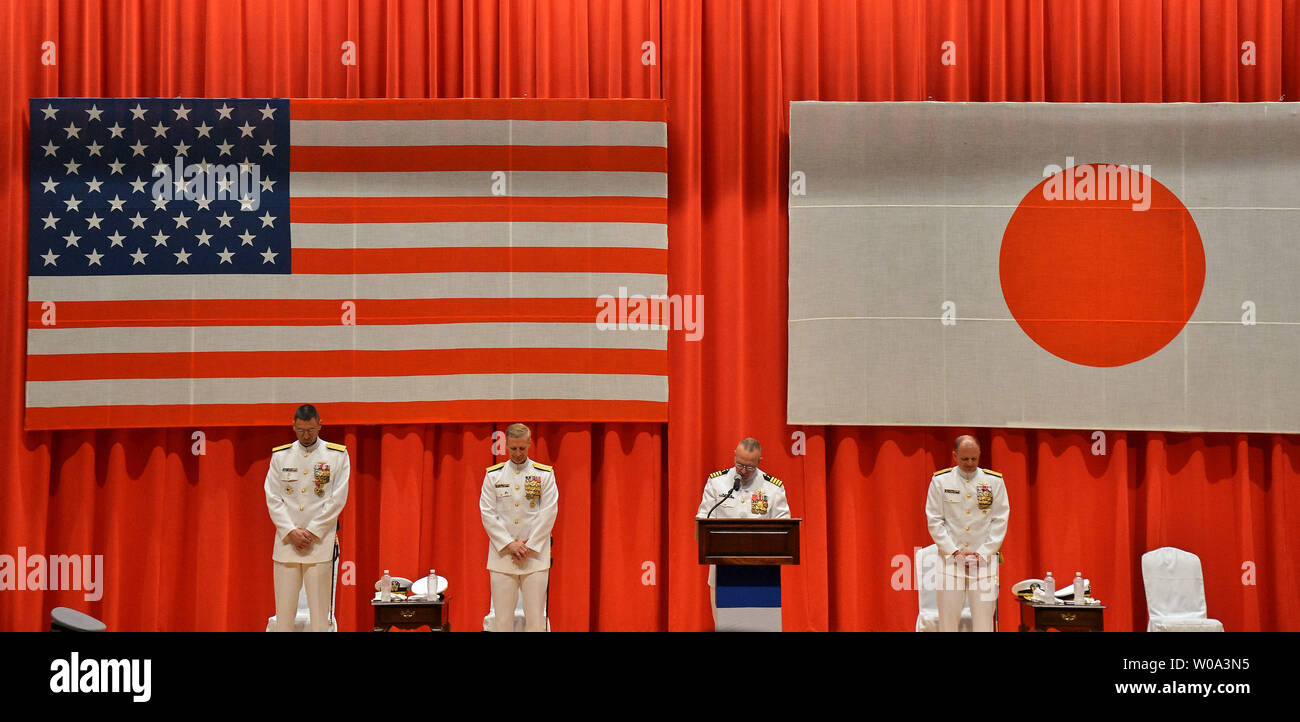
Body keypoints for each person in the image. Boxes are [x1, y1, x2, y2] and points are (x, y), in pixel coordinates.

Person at [264, 404, 350, 632]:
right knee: (283, 618)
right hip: (287, 545)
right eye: (301, 430)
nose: (306, 435)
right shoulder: (281, 455)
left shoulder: (336, 455)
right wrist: (291, 532)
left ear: (320, 425)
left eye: (311, 429)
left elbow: (337, 499)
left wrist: (311, 532)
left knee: (321, 618)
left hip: (318, 545)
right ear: (293, 426)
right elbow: (272, 497)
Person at [925, 435, 1009, 632]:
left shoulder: (993, 481)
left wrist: (984, 553)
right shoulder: (941, 481)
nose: (970, 464)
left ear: (980, 455)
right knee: (948, 622)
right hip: (950, 562)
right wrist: (954, 552)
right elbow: (935, 519)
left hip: (984, 564)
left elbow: (1000, 519)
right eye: (964, 459)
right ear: (955, 456)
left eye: (974, 459)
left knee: (984, 623)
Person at [479, 423, 558, 632]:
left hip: (535, 556)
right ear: (506, 445)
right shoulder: (494, 476)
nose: (517, 453)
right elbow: (487, 513)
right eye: (513, 448)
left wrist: (528, 546)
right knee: (502, 621)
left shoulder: (544, 475)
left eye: (522, 448)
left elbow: (548, 512)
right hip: (503, 556)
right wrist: (509, 545)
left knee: (536, 620)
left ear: (529, 443)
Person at [696, 437, 790, 520]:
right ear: (735, 456)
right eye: (739, 465)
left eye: (750, 467)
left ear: (758, 462)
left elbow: (783, 524)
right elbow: (705, 517)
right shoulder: (716, 482)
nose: (743, 471)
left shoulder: (773, 488)